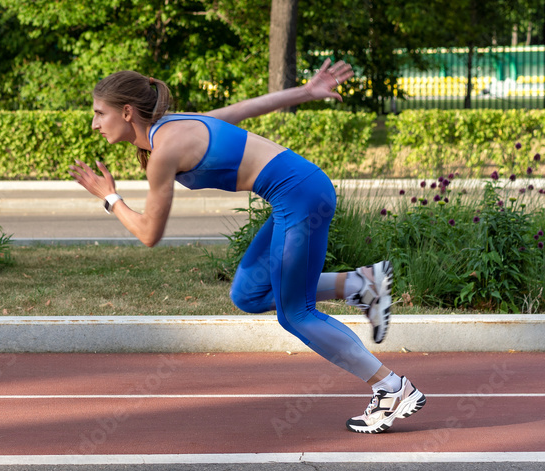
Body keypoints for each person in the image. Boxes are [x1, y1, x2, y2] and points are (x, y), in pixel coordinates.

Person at [69, 61, 425, 434]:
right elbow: (245, 109)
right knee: (249, 294)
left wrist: (109, 197)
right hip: (299, 192)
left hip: (299, 196)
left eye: (99, 113)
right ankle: (359, 285)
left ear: (126, 112)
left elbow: (148, 234)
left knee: (295, 314)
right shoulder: (174, 125)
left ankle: (391, 387)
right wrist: (305, 91)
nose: (94, 123)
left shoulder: (163, 153)